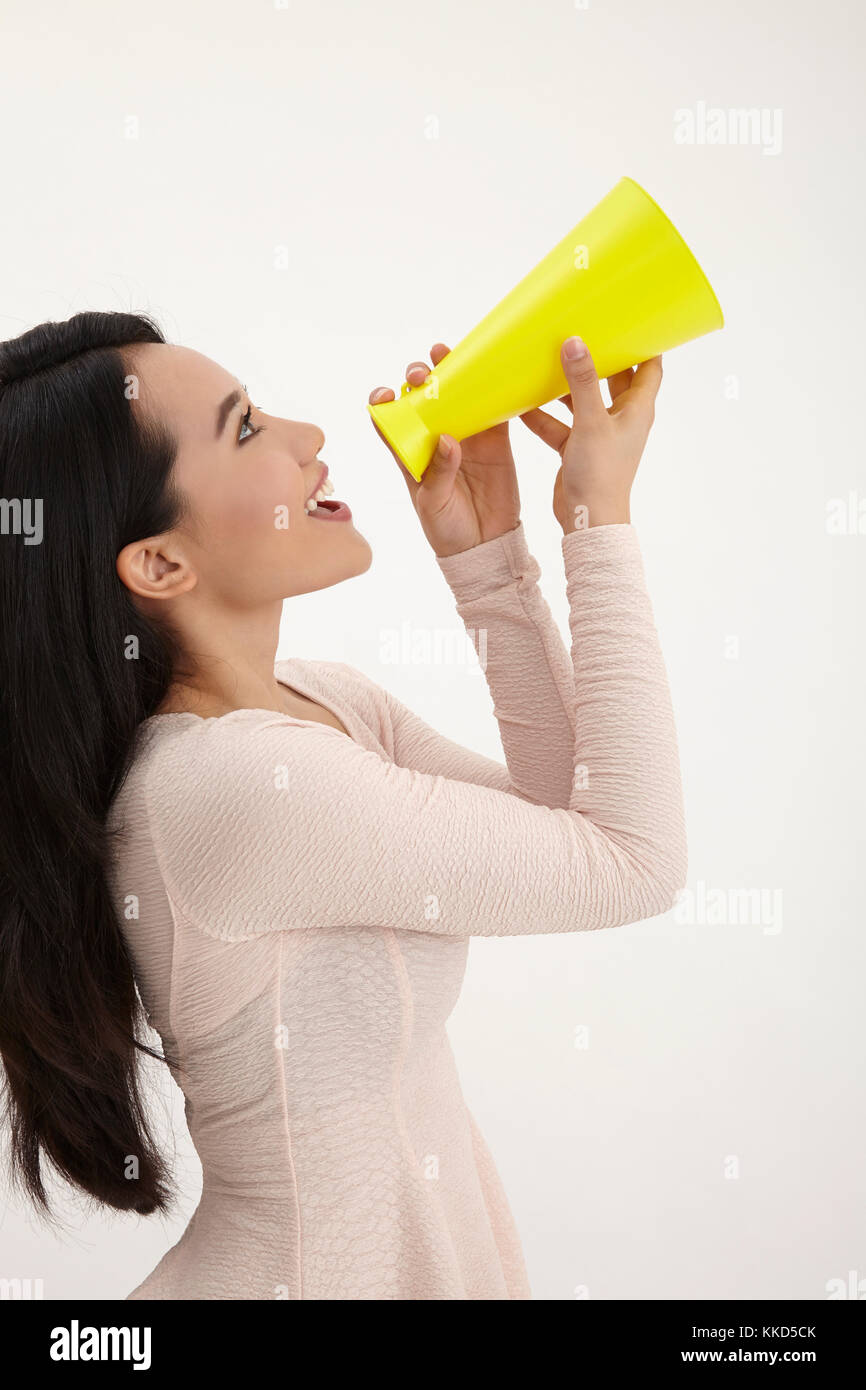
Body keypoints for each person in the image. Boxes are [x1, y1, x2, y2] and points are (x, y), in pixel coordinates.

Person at [0, 310, 685, 1299]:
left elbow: (561, 816)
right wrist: (598, 518)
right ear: (158, 564)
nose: (310, 438)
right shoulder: (230, 786)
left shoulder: (319, 705)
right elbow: (632, 860)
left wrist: (492, 560)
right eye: (245, 429)